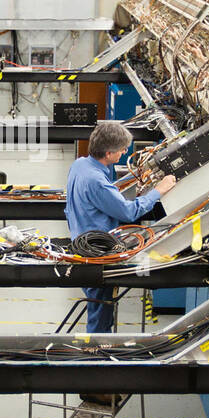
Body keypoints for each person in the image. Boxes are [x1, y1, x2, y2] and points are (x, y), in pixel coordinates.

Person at [65, 121, 176, 334]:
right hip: (98, 254)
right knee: (100, 310)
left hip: (81, 241)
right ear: (108, 153)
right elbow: (128, 212)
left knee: (99, 305)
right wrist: (158, 191)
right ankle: (96, 356)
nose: (125, 153)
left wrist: (135, 180)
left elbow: (107, 193)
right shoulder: (96, 179)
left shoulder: (81, 165)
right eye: (122, 150)